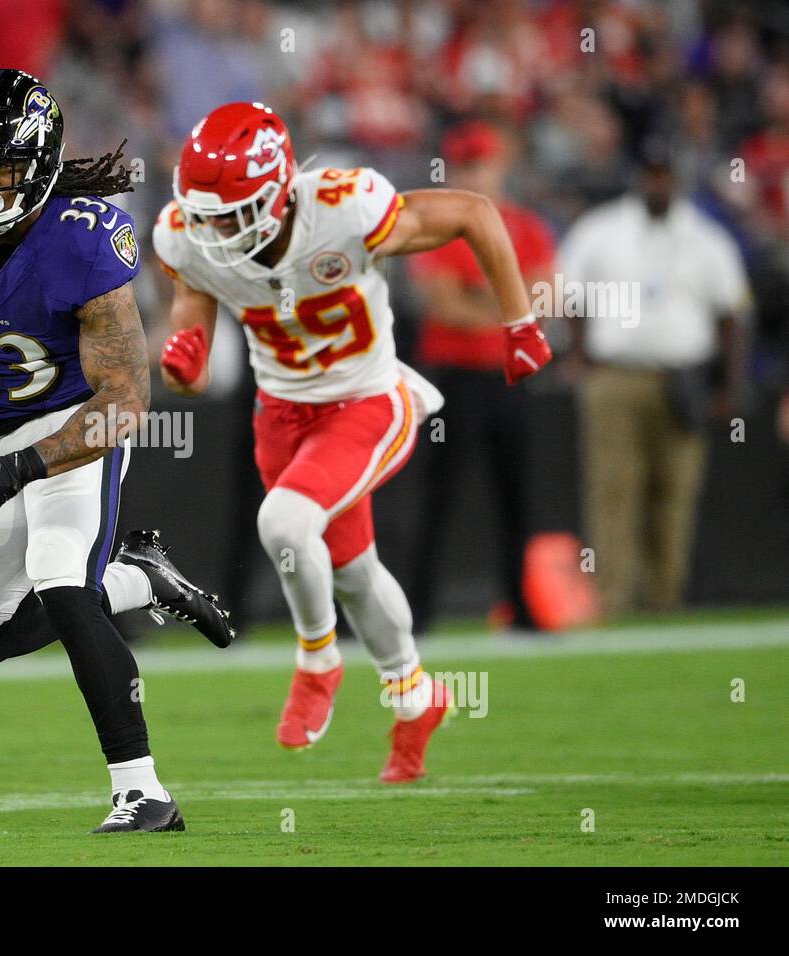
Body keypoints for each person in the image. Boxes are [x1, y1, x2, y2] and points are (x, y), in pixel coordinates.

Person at [0, 69, 234, 833]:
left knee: (58, 579)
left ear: (41, 168)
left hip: (71, 427)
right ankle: (137, 578)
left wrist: (24, 465)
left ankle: (142, 791)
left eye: (1, 171)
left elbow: (125, 399)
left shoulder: (84, 239)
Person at [154, 102, 551, 782]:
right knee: (356, 575)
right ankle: (416, 697)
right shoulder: (190, 234)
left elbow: (474, 215)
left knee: (283, 522)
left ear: (278, 192)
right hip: (281, 417)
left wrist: (519, 321)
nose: (214, 228)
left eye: (231, 211)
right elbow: (199, 287)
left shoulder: (345, 207)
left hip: (367, 401)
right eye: (205, 213)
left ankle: (317, 660)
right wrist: (189, 342)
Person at [560, 147, 751, 619]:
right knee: (612, 490)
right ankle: (614, 599)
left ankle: (665, 600)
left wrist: (728, 388)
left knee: (674, 492)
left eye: (664, 176)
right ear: (637, 179)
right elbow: (569, 296)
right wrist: (581, 360)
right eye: (650, 176)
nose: (657, 184)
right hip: (615, 377)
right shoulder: (600, 231)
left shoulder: (706, 238)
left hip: (682, 378)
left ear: (677, 179)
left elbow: (732, 316)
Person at [405, 121, 557, 632]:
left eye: (482, 163)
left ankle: (522, 606)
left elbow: (545, 298)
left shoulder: (526, 225)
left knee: (517, 495)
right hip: (453, 377)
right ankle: (418, 610)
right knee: (436, 498)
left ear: (501, 164)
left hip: (507, 375)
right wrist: (507, 302)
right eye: (465, 164)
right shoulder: (434, 227)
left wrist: (481, 298)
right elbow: (445, 305)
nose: (474, 173)